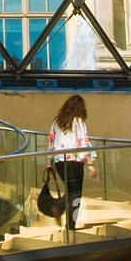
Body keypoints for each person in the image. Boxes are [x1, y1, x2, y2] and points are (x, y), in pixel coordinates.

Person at [48, 94, 96, 232]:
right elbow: (83, 142)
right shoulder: (78, 121)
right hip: (74, 161)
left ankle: (63, 214)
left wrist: (50, 163)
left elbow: (51, 143)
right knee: (76, 194)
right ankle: (68, 222)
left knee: (71, 192)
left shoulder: (56, 122)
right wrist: (90, 163)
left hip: (59, 162)